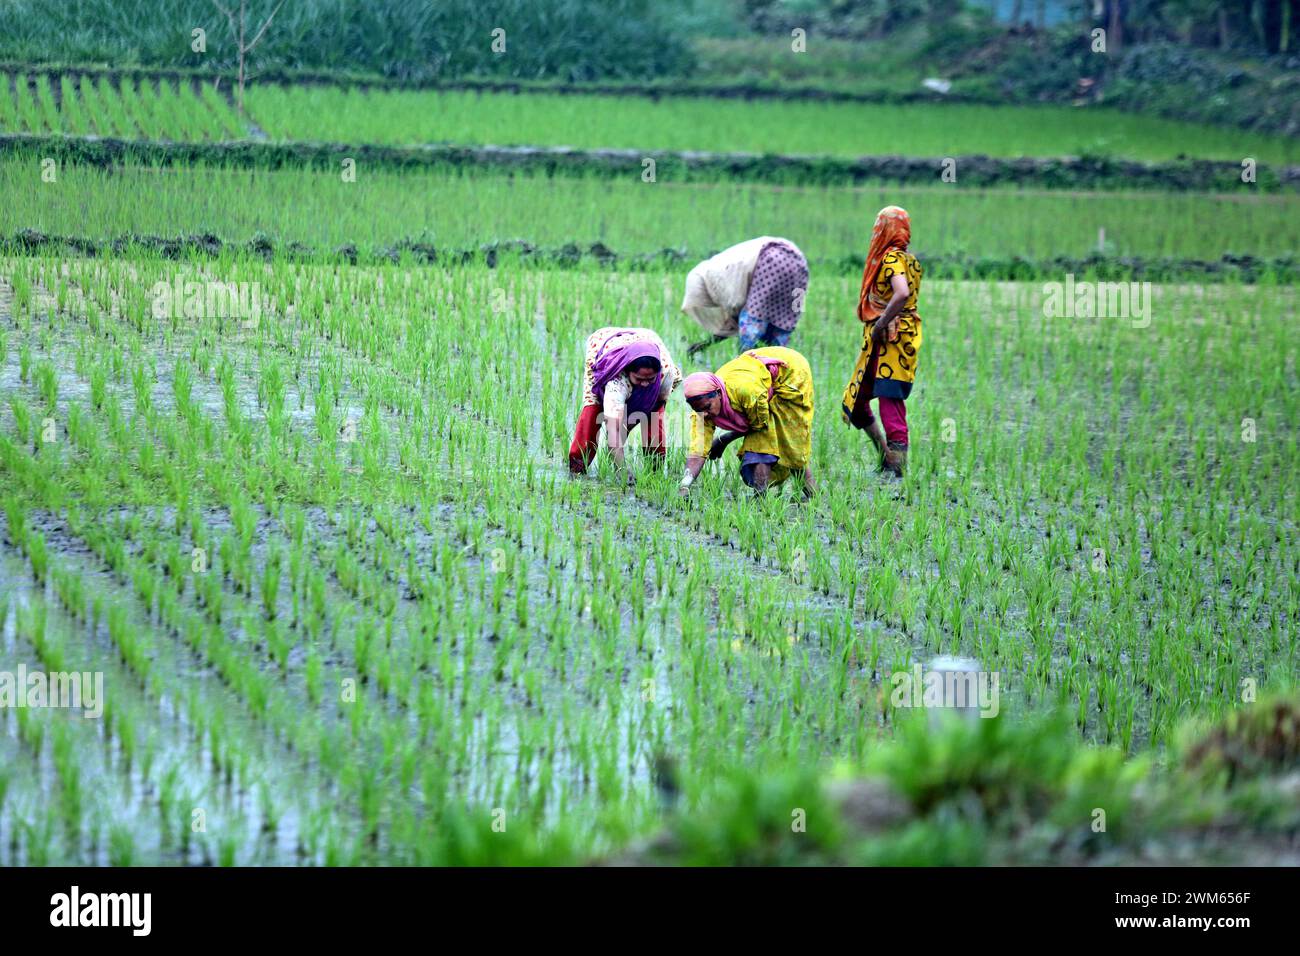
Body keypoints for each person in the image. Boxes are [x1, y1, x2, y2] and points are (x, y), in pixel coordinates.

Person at [840, 206, 922, 478]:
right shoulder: (910, 259)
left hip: (892, 341)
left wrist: (882, 322)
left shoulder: (891, 259)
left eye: (879, 226)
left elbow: (901, 293)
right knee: (857, 400)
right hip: (893, 340)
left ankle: (896, 469)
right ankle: (886, 457)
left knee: (890, 400)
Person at [678, 346, 815, 499]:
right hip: (759, 372)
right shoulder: (701, 410)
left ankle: (761, 498)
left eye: (708, 407)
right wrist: (684, 486)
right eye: (699, 411)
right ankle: (810, 494)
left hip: (791, 372)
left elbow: (757, 425)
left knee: (777, 442)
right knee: (768, 442)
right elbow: (698, 450)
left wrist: (724, 440)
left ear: (718, 393)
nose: (705, 414)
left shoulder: (746, 392)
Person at [569, 327, 682, 485]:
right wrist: (622, 470)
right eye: (639, 378)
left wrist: (630, 423)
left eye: (650, 379)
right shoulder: (616, 381)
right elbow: (613, 430)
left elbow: (659, 403)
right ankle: (576, 470)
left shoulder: (667, 373)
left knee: (654, 419)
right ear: (628, 372)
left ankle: (654, 474)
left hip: (648, 338)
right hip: (602, 348)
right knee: (592, 413)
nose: (644, 384)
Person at [680, 236, 809, 356]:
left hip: (769, 260)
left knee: (753, 323)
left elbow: (742, 317)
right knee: (782, 325)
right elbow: (735, 323)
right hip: (799, 262)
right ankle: (777, 369)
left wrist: (706, 344)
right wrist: (706, 344)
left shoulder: (717, 276)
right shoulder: (724, 266)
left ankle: (746, 366)